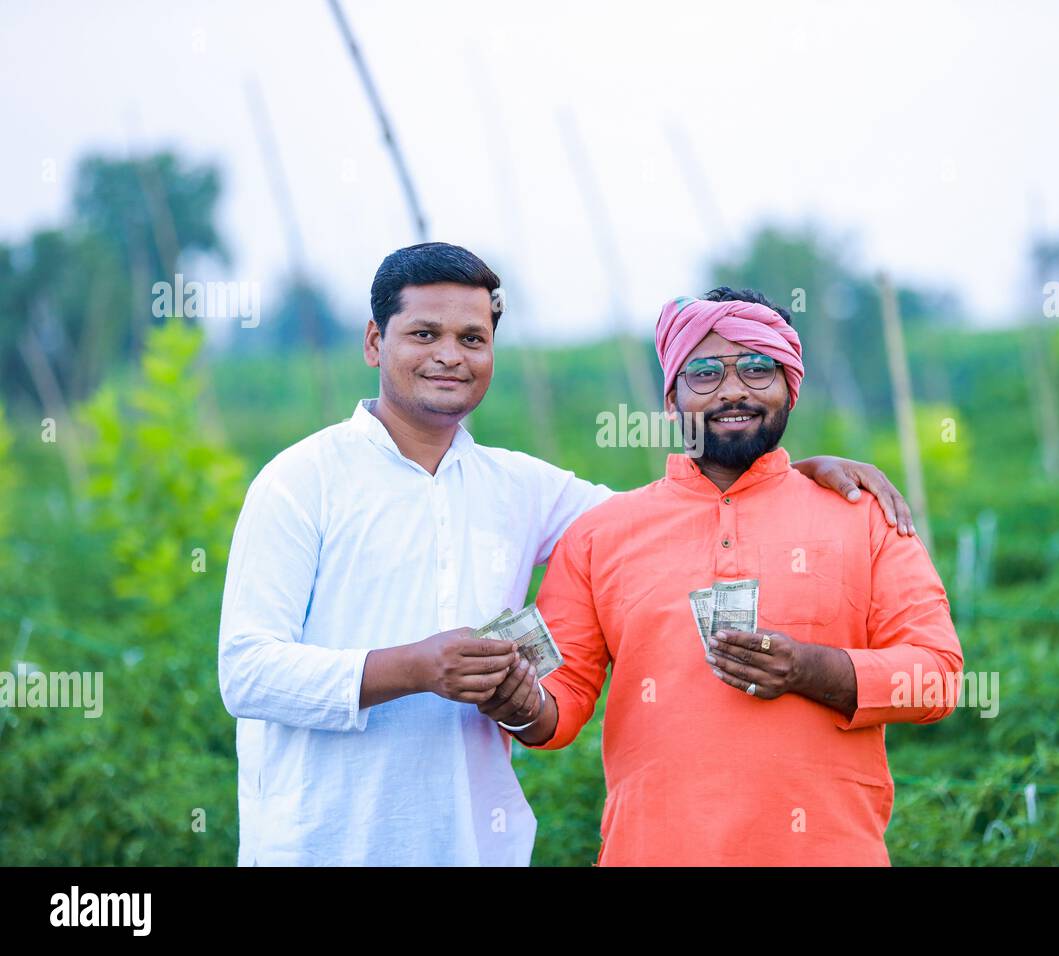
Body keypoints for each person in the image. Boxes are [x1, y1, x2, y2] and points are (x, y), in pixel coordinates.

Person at [217, 243, 916, 866]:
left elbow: (674, 515)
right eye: (424, 334)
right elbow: (245, 672)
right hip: (326, 839)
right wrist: (415, 667)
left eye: (472, 336)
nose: (450, 355)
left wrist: (791, 470)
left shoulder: (521, 486)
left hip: (474, 843)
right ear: (375, 341)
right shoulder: (300, 482)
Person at [506, 287, 964, 866]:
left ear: (790, 386)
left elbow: (937, 678)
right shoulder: (601, 533)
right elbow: (561, 703)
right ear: (671, 398)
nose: (732, 390)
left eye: (757, 367)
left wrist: (808, 668)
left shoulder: (864, 513)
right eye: (703, 373)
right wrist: (513, 697)